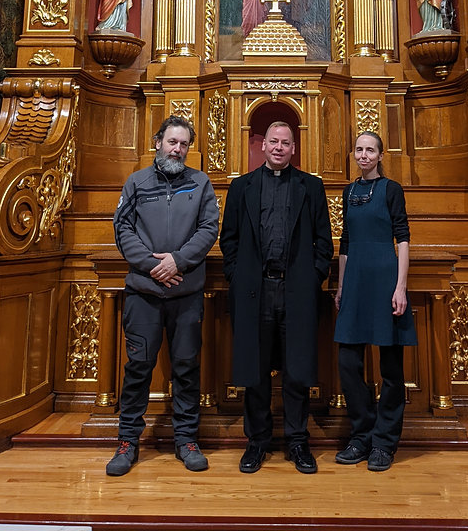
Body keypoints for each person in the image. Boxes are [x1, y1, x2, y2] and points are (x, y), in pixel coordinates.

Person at [106, 116, 219, 476]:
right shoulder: (136, 182)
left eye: (184, 144)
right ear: (158, 142)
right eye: (172, 142)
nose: (177, 149)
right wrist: (153, 266)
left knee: (186, 367)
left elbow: (208, 228)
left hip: (186, 293)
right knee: (138, 368)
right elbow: (122, 228)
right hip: (144, 292)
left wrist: (178, 261)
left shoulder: (200, 183)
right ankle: (128, 441)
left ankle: (186, 439)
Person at [220, 122, 333, 475]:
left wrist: (313, 277)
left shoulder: (311, 187)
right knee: (255, 371)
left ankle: (298, 441)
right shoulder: (241, 187)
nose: (279, 148)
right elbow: (230, 241)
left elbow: (324, 242)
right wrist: (238, 277)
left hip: (297, 291)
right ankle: (257, 442)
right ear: (263, 146)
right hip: (255, 290)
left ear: (293, 148)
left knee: (297, 371)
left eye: (286, 142)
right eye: (273, 142)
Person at [334, 132, 417, 472]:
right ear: (353, 154)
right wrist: (340, 286)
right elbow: (346, 242)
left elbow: (404, 238)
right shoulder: (349, 190)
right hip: (354, 282)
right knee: (348, 363)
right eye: (359, 149)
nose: (364, 155)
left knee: (391, 368)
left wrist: (400, 287)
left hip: (386, 280)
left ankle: (384, 442)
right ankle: (362, 434)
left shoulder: (392, 189)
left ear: (380, 155)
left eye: (370, 150)